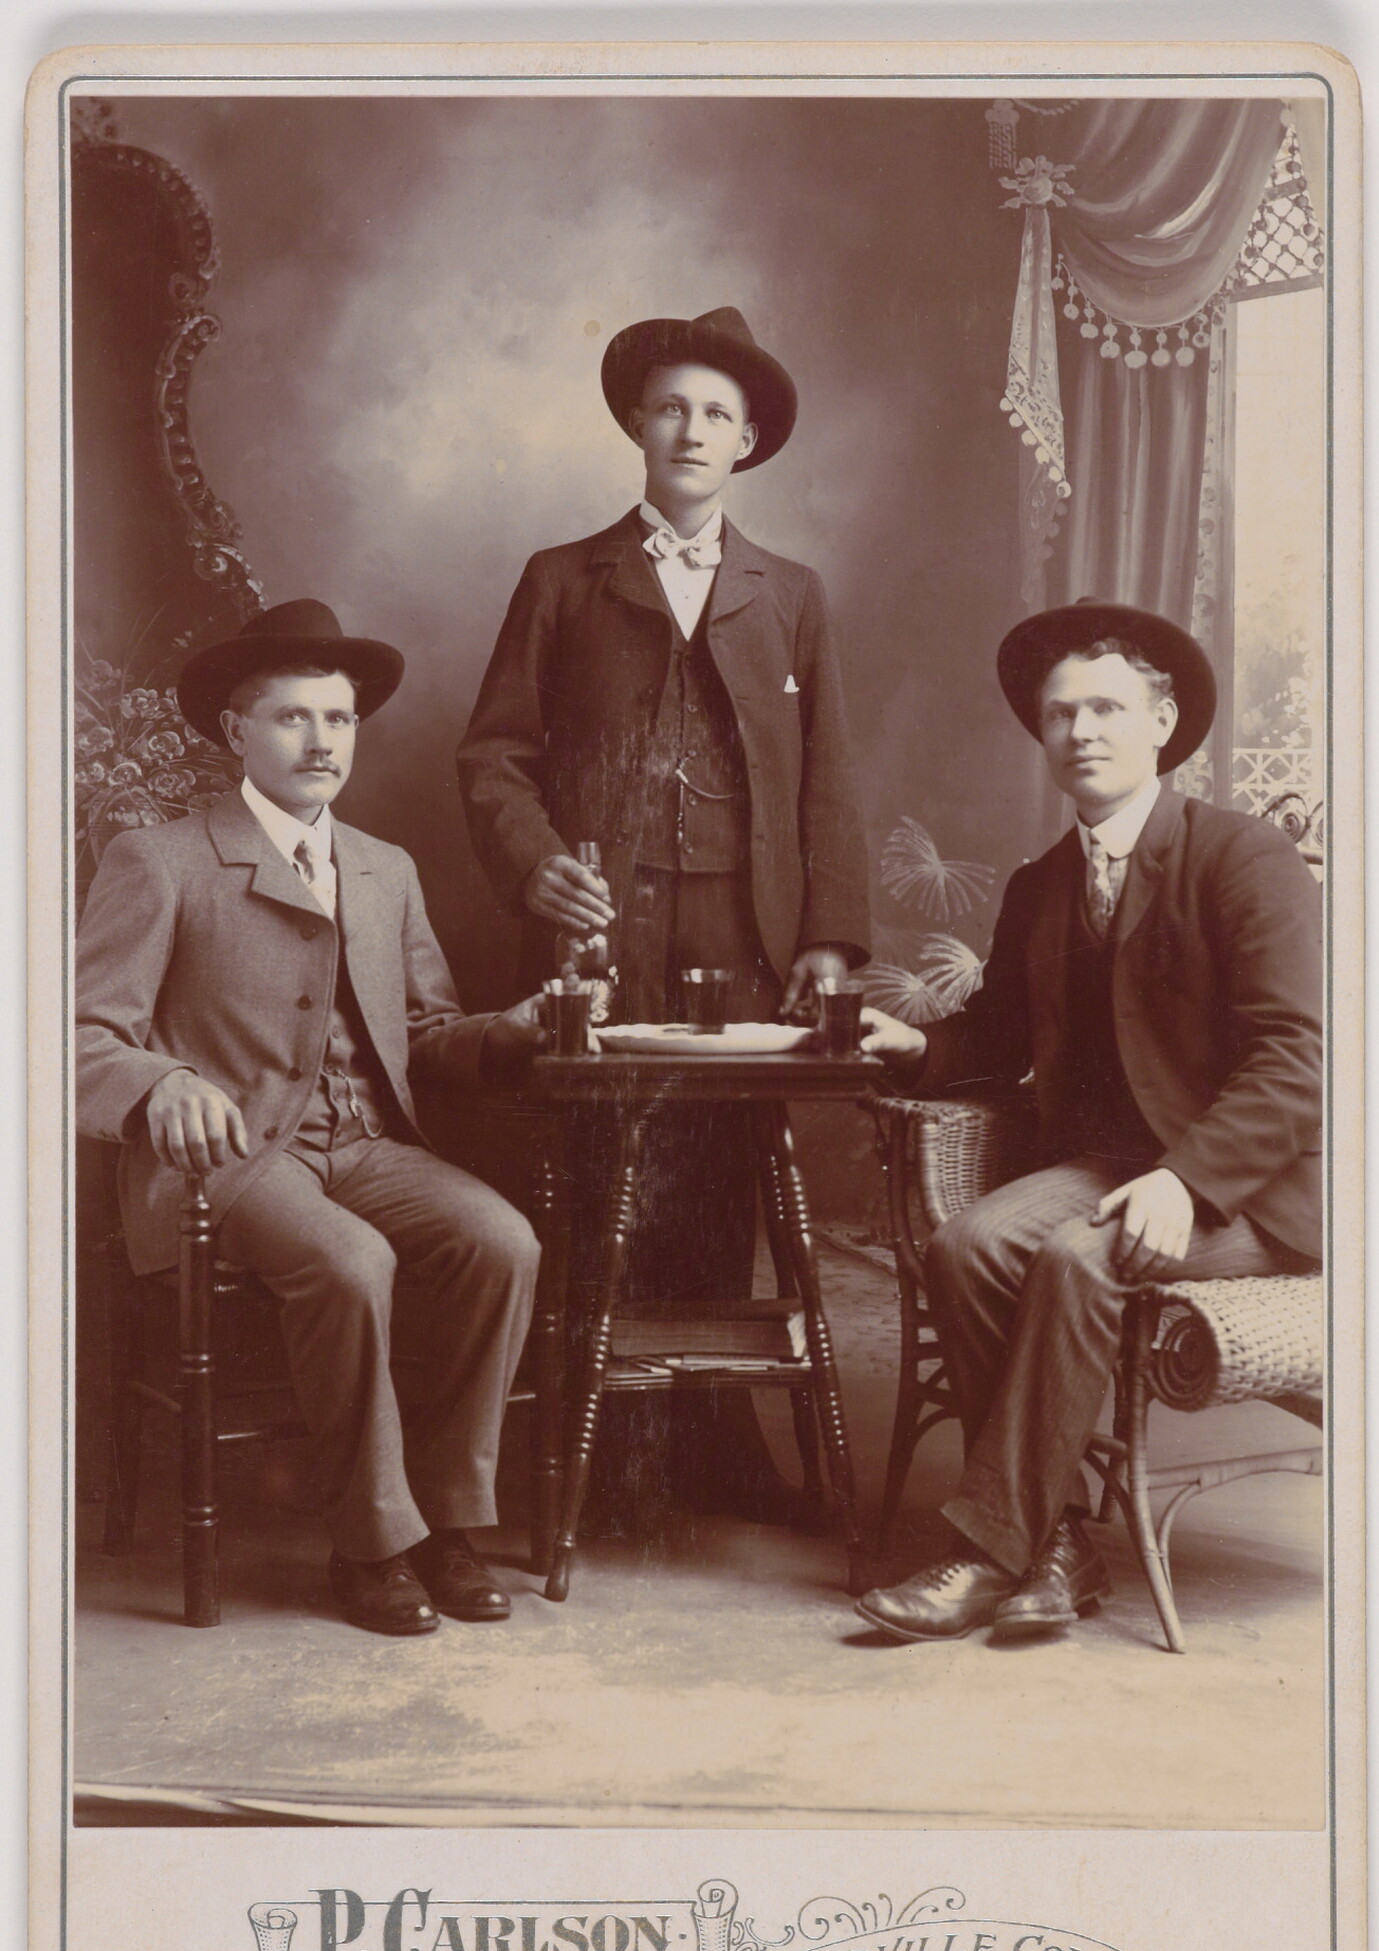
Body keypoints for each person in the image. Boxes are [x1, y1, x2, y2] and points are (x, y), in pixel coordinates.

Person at [458, 307, 870, 1530]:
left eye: (716, 414)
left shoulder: (787, 593)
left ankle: (719, 1443)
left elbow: (828, 781)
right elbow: (493, 756)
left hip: (744, 945)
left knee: (722, 1186)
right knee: (600, 1184)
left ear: (746, 445)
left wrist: (828, 939)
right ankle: (594, 1452)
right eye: (671, 407)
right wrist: (535, 867)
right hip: (604, 938)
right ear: (636, 424)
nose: (691, 429)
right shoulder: (560, 579)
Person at [856, 599, 1323, 1645]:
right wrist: (918, 1048)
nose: (1079, 732)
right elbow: (997, 1031)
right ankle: (1057, 1543)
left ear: (1161, 723)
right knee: (968, 1245)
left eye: (1105, 707)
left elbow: (1298, 1059)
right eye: (1059, 713)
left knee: (1074, 1260)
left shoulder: (1239, 857)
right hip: (1114, 1160)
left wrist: (1186, 1180)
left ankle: (985, 1554)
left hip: (1254, 1183)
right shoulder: (1039, 887)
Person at [76, 600, 545, 1637]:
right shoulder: (161, 859)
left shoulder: (384, 869)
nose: (320, 741)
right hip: (230, 1159)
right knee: (350, 1264)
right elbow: (75, 1039)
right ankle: (371, 1543)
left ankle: (448, 1525)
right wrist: (162, 1086)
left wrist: (511, 1028)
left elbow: (425, 1033)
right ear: (235, 733)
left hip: (365, 1146)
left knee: (500, 1242)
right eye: (291, 719)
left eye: (336, 720)